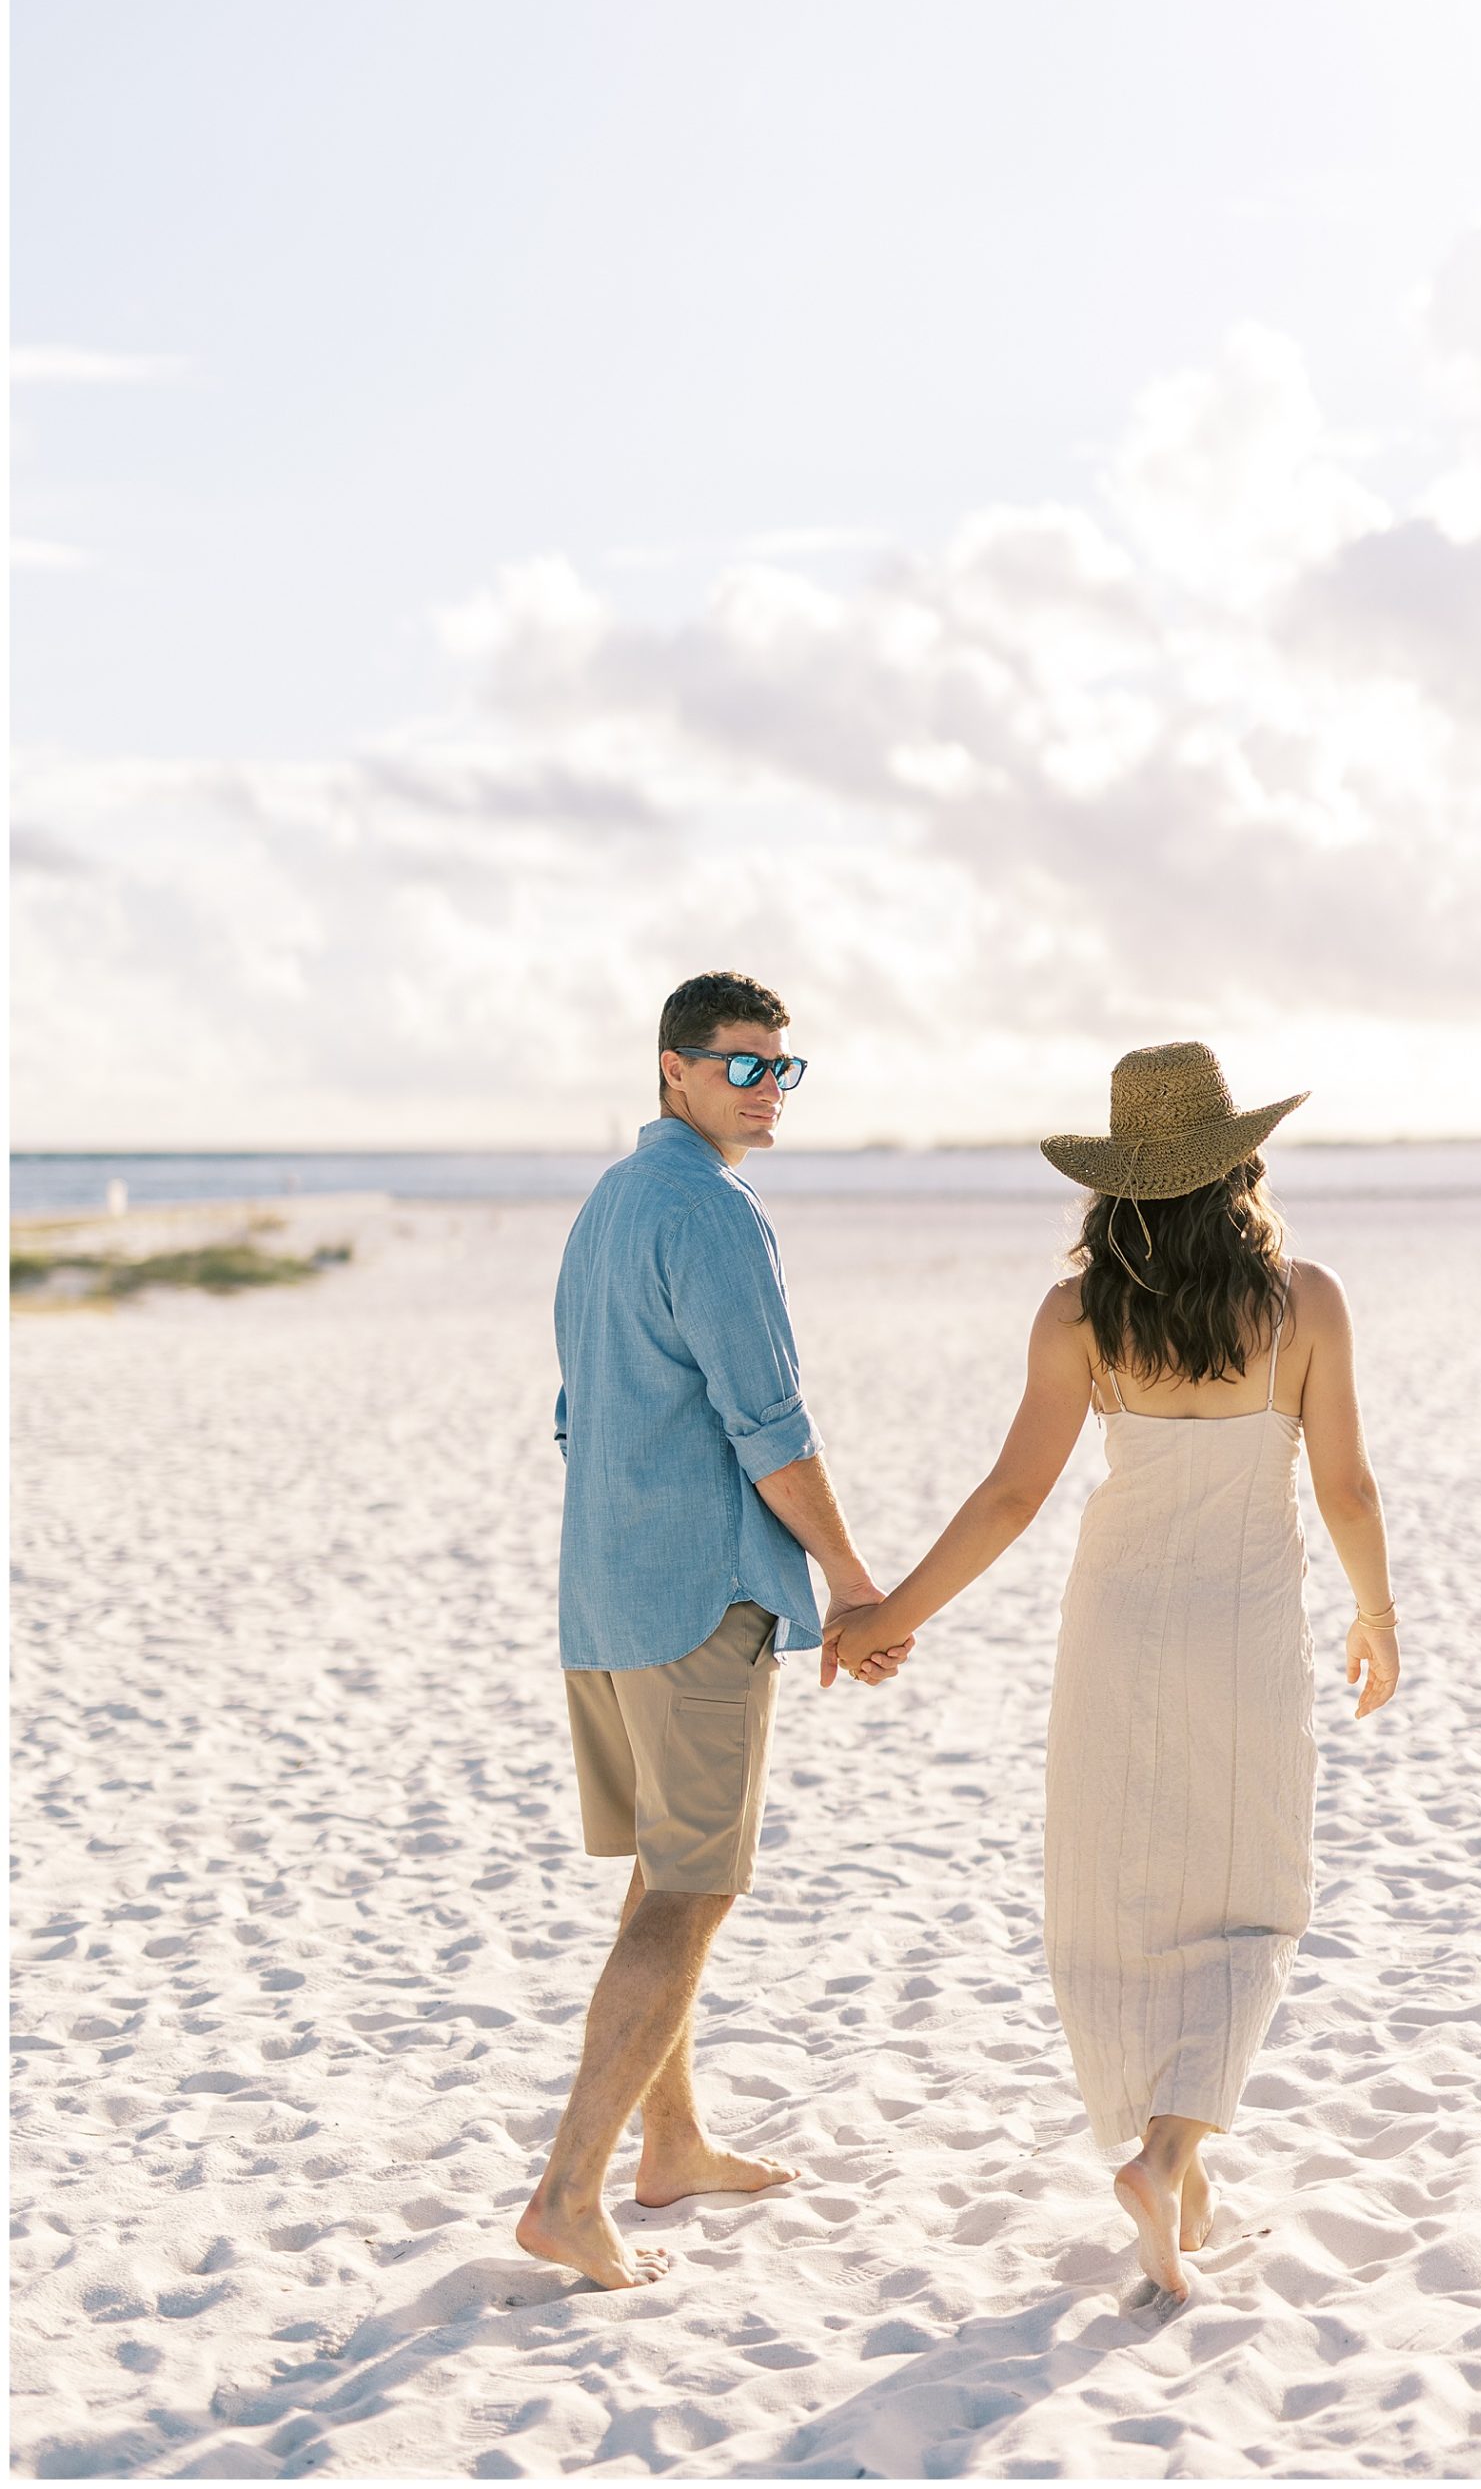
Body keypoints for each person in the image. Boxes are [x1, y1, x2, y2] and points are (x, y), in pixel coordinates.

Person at [833, 1042, 1401, 2303]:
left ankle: (1170, 2159)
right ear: (1239, 1164)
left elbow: (1011, 1495)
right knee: (1253, 1896)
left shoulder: (1080, 1313)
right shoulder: (1305, 1302)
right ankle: (1170, 2154)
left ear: (1117, 1184)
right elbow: (1348, 1488)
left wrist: (886, 1616)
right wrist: (1379, 1613)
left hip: (1117, 1626)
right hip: (1245, 1632)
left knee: (1123, 1893)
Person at [518, 970, 910, 2291]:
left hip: (605, 1593)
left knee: (664, 1872)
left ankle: (670, 2144)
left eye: (781, 1067)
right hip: (695, 1597)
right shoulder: (709, 1211)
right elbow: (769, 1426)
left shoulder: (610, 1200)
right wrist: (850, 1579)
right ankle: (568, 2193)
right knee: (694, 1886)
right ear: (673, 1070)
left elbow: (577, 1409)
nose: (768, 1089)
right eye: (744, 1065)